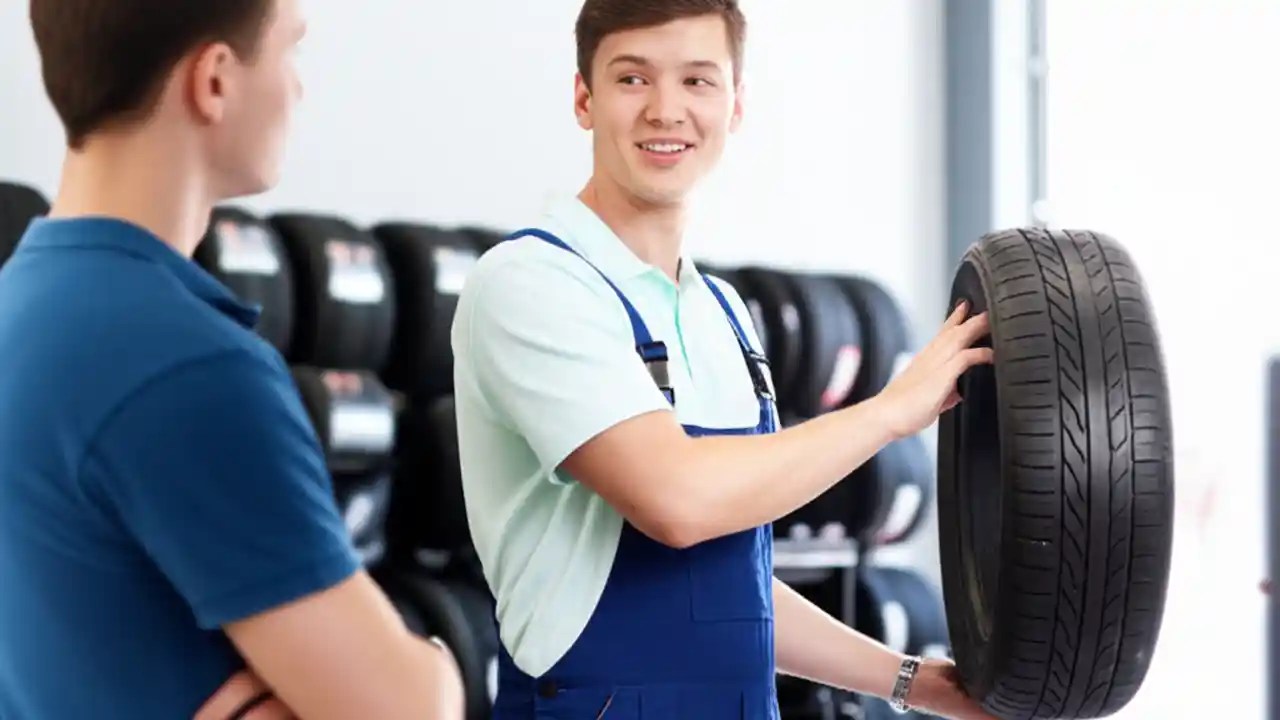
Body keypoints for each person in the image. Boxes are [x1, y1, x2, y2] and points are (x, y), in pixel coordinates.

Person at [450, 1, 998, 718]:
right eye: (633, 79)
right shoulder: (531, 284)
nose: (666, 110)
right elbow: (678, 503)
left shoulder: (724, 313)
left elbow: (731, 583)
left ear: (736, 105)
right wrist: (891, 413)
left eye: (698, 81)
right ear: (584, 98)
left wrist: (911, 682)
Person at [0, 2, 462, 718]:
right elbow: (407, 711)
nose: (298, 90)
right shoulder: (187, 366)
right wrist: (436, 667)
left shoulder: (18, 300)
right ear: (214, 81)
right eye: (289, 53)